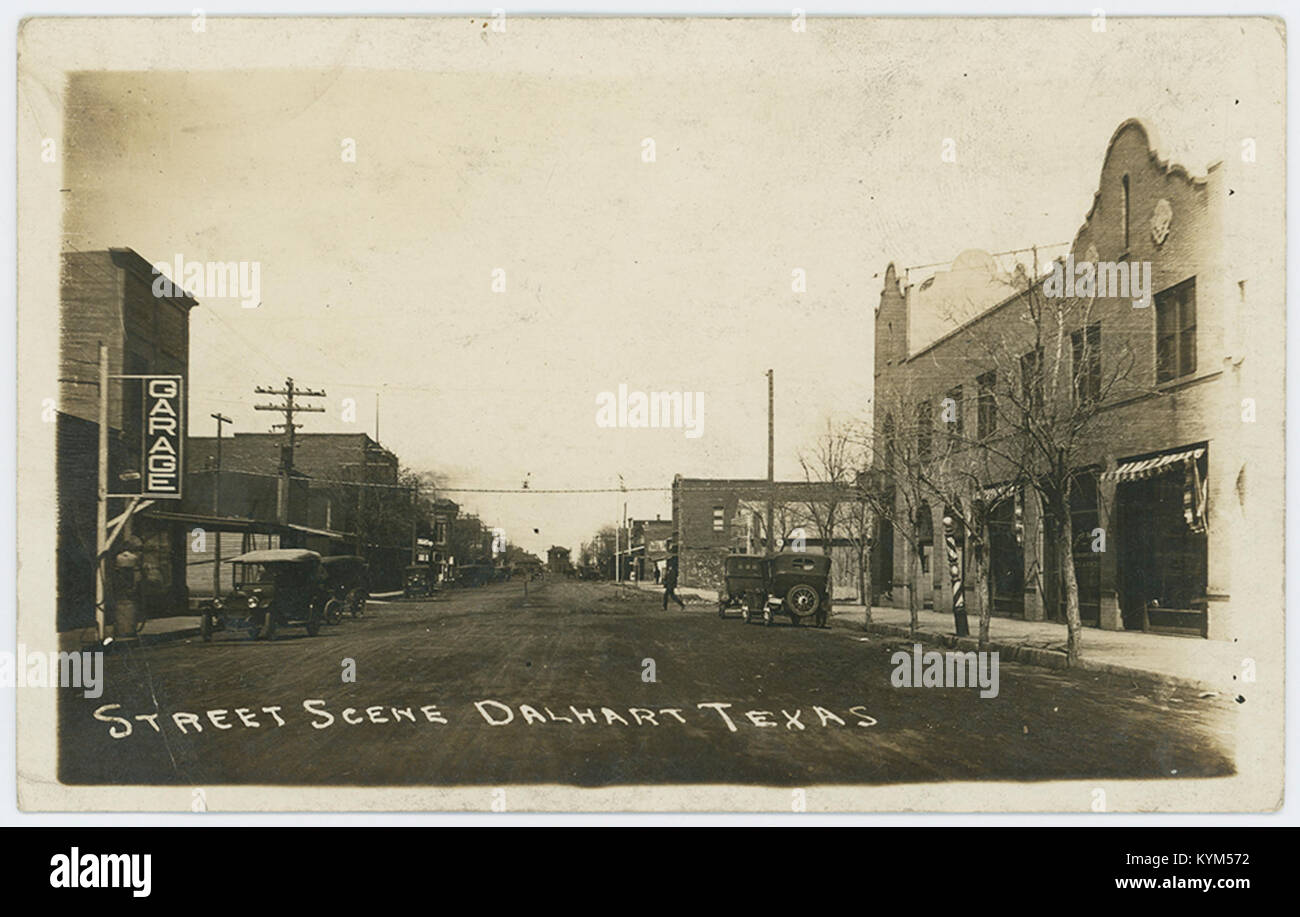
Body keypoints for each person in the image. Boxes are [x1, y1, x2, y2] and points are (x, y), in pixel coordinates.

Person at [662, 542, 685, 610]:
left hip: (672, 579)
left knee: (667, 594)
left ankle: (665, 607)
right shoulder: (673, 559)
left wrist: (669, 580)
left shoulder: (674, 559)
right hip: (671, 578)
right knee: (671, 595)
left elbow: (672, 571)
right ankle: (681, 604)